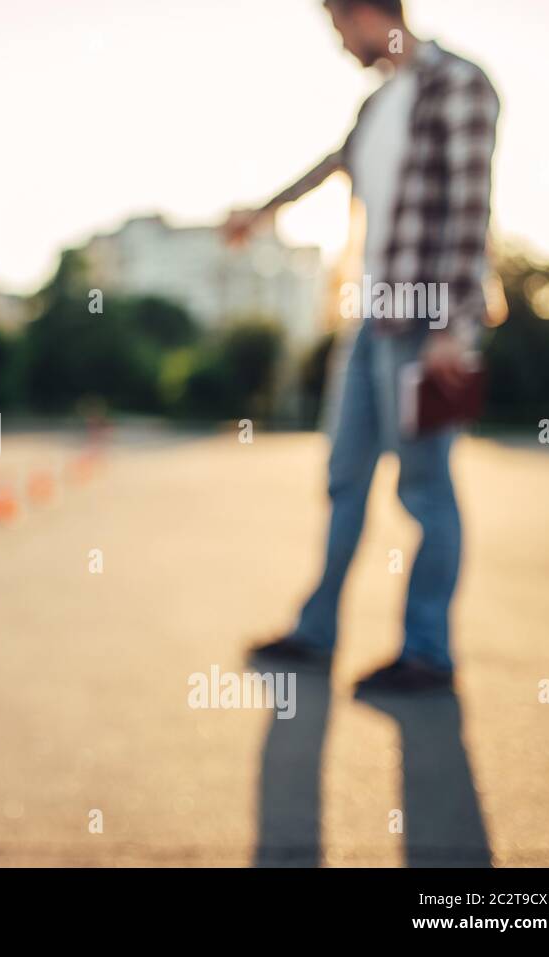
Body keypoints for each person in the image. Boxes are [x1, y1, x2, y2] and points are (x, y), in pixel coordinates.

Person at [226, 0, 499, 692]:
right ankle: (318, 630)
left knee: (425, 487)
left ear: (366, 13)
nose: (342, 44)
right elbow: (327, 168)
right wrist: (261, 213)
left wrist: (453, 327)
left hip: (425, 325)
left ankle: (428, 652)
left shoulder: (458, 84)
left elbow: (471, 211)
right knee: (345, 478)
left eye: (340, 28)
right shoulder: (379, 106)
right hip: (370, 321)